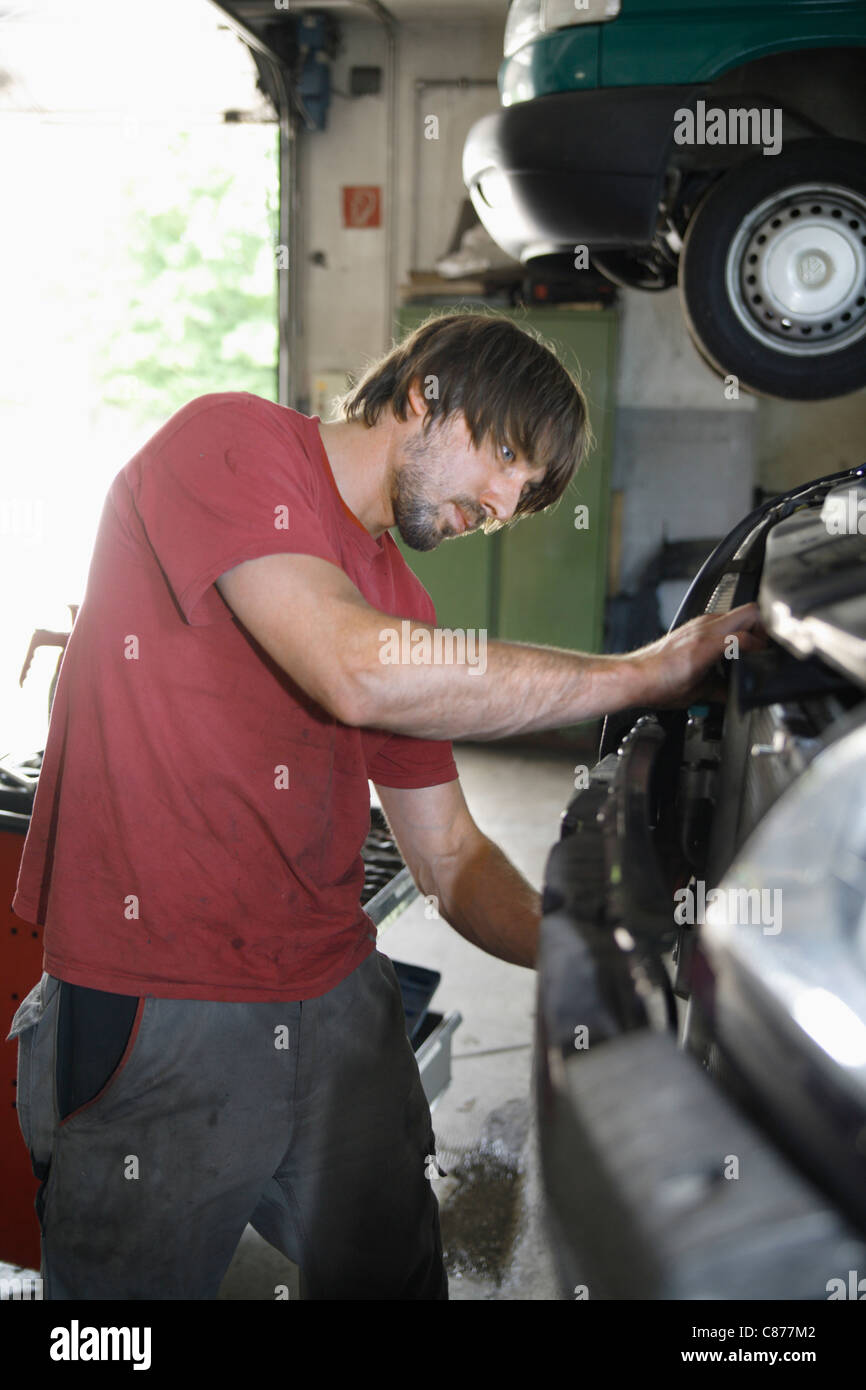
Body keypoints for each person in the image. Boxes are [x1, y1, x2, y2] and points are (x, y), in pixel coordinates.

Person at [7, 311, 765, 1300]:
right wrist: (639, 675)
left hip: (336, 1000)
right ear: (427, 393)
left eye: (525, 495)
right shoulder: (231, 443)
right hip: (163, 1001)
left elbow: (449, 858)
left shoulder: (398, 604)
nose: (502, 501)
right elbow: (348, 670)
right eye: (502, 454)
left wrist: (604, 952)